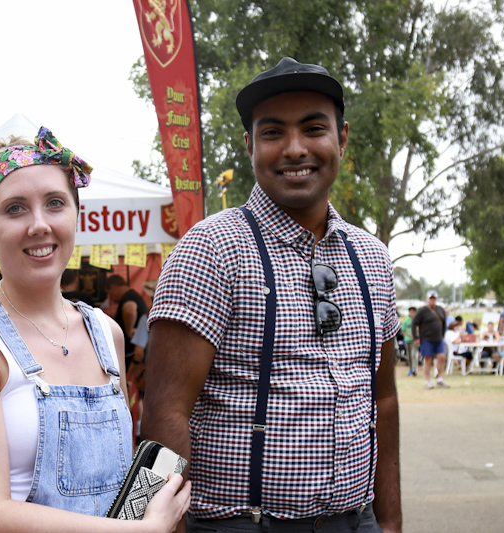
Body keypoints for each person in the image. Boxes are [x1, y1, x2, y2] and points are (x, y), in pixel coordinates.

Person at [143, 57, 402, 532]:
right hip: (239, 524)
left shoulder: (373, 257)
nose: (295, 149)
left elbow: (382, 400)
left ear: (341, 138)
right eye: (273, 133)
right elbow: (163, 412)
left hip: (355, 521)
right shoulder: (211, 249)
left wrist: (390, 523)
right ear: (249, 145)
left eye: (313, 129)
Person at [0, 127, 189, 532]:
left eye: (55, 203)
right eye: (15, 208)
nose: (39, 225)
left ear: (76, 214)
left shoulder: (107, 333)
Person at [105, 275, 148, 369]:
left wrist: (129, 331)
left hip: (131, 353)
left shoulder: (128, 297)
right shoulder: (133, 295)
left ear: (113, 287)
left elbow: (130, 309)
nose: (110, 298)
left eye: (109, 293)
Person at [412, 290, 450, 389]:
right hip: (426, 339)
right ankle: (428, 380)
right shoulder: (422, 310)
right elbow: (414, 323)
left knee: (442, 357)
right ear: (427, 299)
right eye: (430, 298)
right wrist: (416, 337)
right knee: (428, 359)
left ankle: (440, 378)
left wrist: (443, 335)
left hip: (439, 339)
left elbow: (443, 324)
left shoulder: (440, 310)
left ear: (436, 299)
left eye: (434, 298)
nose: (432, 300)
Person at [401, 307, 418, 376]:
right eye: (411, 311)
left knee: (414, 354)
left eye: (413, 312)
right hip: (407, 340)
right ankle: (411, 369)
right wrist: (410, 335)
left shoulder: (417, 320)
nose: (412, 313)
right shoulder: (406, 321)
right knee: (409, 355)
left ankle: (414, 369)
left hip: (415, 340)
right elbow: (403, 331)